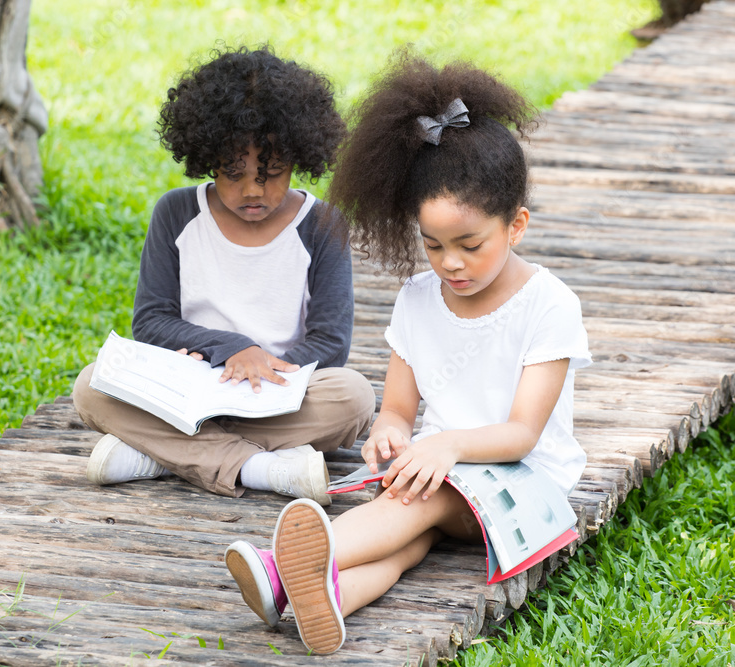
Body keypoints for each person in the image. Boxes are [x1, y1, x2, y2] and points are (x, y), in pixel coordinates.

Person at [223, 52, 591, 654]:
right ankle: (320, 596)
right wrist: (391, 435)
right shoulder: (419, 300)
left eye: (470, 245)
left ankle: (277, 564)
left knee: (416, 500)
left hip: (521, 486)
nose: (450, 263)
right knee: (407, 539)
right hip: (436, 473)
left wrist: (444, 445)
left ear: (516, 225)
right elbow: (397, 407)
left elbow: (524, 433)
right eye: (433, 245)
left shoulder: (548, 304)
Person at [72, 45, 376, 504]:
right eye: (234, 174)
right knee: (90, 386)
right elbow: (151, 322)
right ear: (207, 157)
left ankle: (163, 453)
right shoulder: (176, 212)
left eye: (271, 173)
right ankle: (259, 468)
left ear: (297, 158)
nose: (253, 190)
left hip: (278, 392)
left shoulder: (322, 224)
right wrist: (233, 351)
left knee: (354, 397)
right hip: (190, 383)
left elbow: (331, 341)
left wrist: (265, 372)